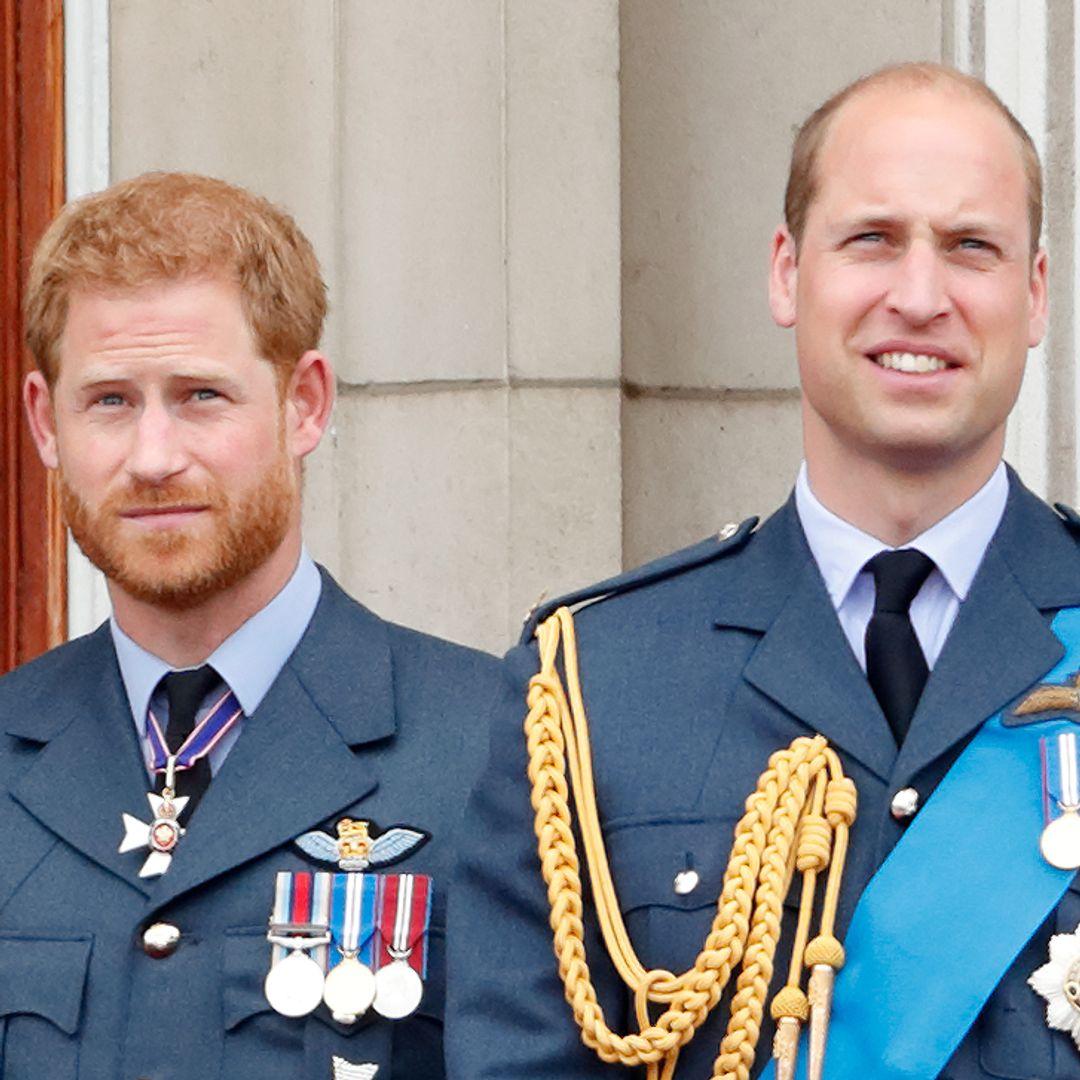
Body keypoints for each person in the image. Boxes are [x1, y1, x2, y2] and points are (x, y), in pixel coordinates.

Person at [446, 63, 1080, 1080]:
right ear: (788, 273)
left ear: (1037, 293)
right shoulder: (592, 687)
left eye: (972, 248)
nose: (920, 297)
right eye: (871, 239)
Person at [0, 171, 502, 1080]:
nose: (154, 457)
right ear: (46, 421)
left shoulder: (497, 747)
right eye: (109, 400)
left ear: (303, 402)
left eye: (201, 395)